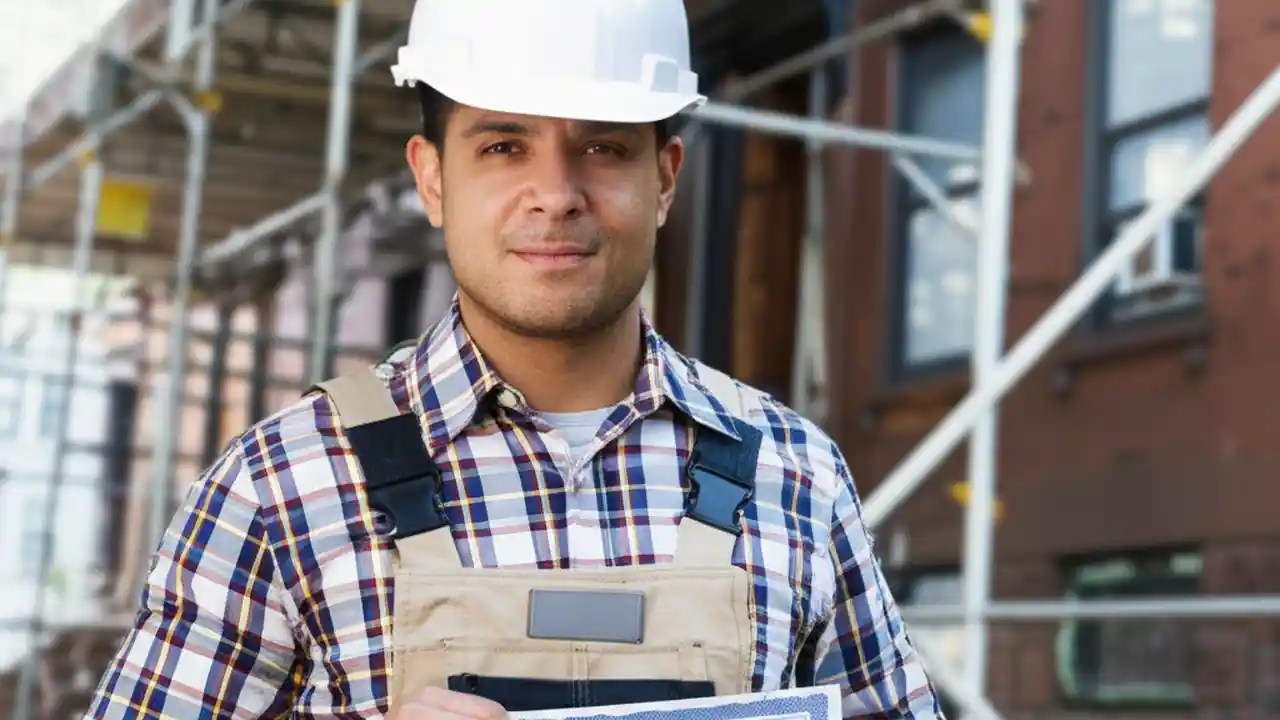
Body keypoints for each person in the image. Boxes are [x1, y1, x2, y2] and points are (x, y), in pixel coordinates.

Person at [86, 0, 944, 717]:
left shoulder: (793, 473)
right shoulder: (281, 485)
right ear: (431, 179)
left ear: (667, 178)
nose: (557, 194)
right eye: (503, 146)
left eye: (604, 146)